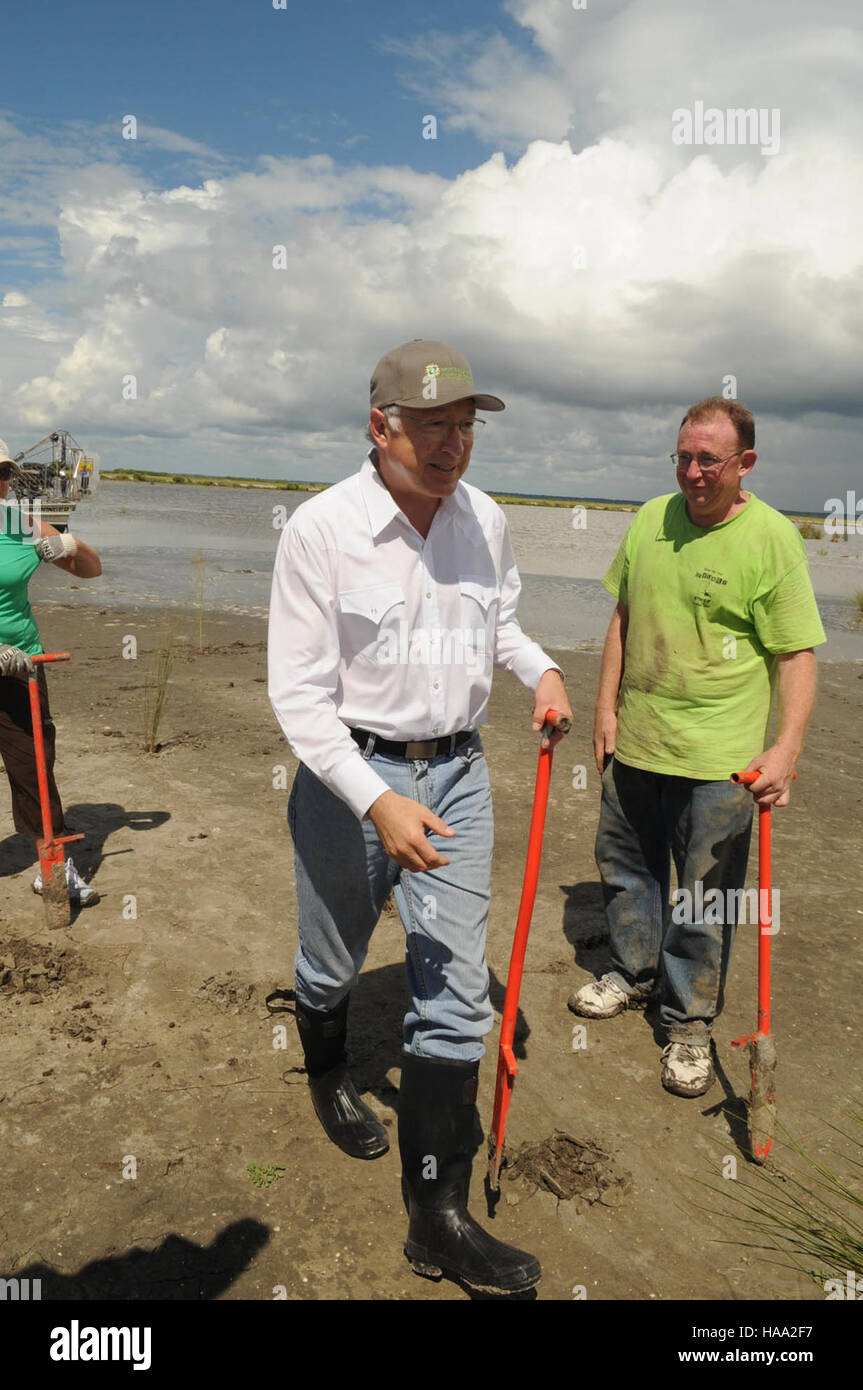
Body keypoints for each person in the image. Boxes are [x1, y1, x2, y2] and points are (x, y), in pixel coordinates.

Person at [268, 339, 572, 1295]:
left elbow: (503, 621)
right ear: (380, 427)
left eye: (466, 425)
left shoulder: (485, 518)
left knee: (454, 1004)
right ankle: (325, 1068)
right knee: (331, 960)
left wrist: (543, 670)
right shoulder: (320, 530)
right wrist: (376, 798)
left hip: (460, 777)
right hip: (347, 777)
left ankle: (436, 1220)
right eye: (432, 425)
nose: (453, 445)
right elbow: (300, 698)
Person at [568, 397, 825, 1099]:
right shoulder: (652, 518)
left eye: (706, 459)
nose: (691, 472)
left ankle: (688, 1023)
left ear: (743, 464)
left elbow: (794, 655)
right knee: (626, 869)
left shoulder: (770, 538)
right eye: (681, 457)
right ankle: (630, 970)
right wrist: (603, 709)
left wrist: (785, 750)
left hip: (720, 760)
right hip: (638, 741)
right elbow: (623, 613)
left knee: (706, 899)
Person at [0, 438, 103, 904]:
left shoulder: (17, 524)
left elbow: (91, 571)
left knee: (35, 767)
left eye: (2, 475)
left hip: (23, 666)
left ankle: (53, 867)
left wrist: (69, 544)